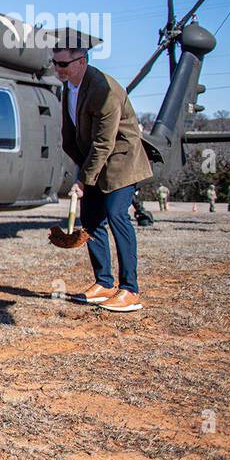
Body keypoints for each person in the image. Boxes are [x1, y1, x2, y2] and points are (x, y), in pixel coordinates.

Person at [56, 42, 153, 312]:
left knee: (116, 214)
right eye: (54, 63)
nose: (57, 69)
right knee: (91, 217)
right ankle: (104, 282)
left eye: (62, 64)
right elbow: (70, 135)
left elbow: (103, 143)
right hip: (95, 161)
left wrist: (82, 180)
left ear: (81, 62)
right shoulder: (69, 86)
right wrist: (81, 169)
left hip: (121, 161)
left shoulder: (103, 90)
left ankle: (130, 290)